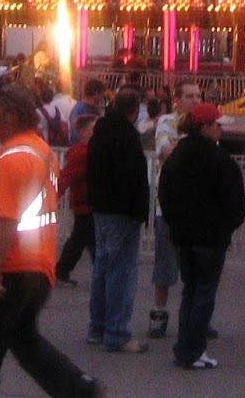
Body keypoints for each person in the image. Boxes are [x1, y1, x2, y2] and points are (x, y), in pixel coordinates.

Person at [0, 84, 102, 398]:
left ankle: (79, 390)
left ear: (11, 115)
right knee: (22, 338)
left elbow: (7, 220)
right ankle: (79, 389)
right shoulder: (37, 150)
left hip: (9, 268)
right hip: (35, 266)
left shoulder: (14, 158)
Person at [158, 102, 245, 371]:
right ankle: (194, 349)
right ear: (205, 127)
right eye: (217, 125)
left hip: (183, 236)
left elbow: (165, 195)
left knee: (190, 291)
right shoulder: (221, 160)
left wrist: (175, 224)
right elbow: (238, 204)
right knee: (204, 293)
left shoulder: (176, 158)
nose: (221, 130)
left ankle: (184, 347)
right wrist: (226, 228)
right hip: (212, 238)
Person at [86, 87, 150, 353]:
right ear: (134, 111)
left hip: (101, 207)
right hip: (122, 210)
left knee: (101, 267)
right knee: (121, 271)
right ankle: (116, 331)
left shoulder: (99, 133)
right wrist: (140, 211)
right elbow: (133, 177)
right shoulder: (127, 136)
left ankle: (97, 326)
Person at [146, 80, 202, 341]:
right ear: (177, 100)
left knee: (198, 268)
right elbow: (165, 151)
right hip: (168, 206)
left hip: (197, 207)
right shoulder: (167, 121)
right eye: (190, 96)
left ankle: (196, 317)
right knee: (165, 265)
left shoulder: (204, 123)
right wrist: (190, 146)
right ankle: (159, 313)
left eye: (198, 96)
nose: (195, 100)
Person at [55, 114, 98, 286]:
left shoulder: (86, 150)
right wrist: (55, 196)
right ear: (83, 132)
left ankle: (62, 271)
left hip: (87, 202)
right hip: (84, 203)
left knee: (83, 240)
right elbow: (68, 176)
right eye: (93, 129)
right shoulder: (81, 152)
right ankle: (61, 271)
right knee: (83, 240)